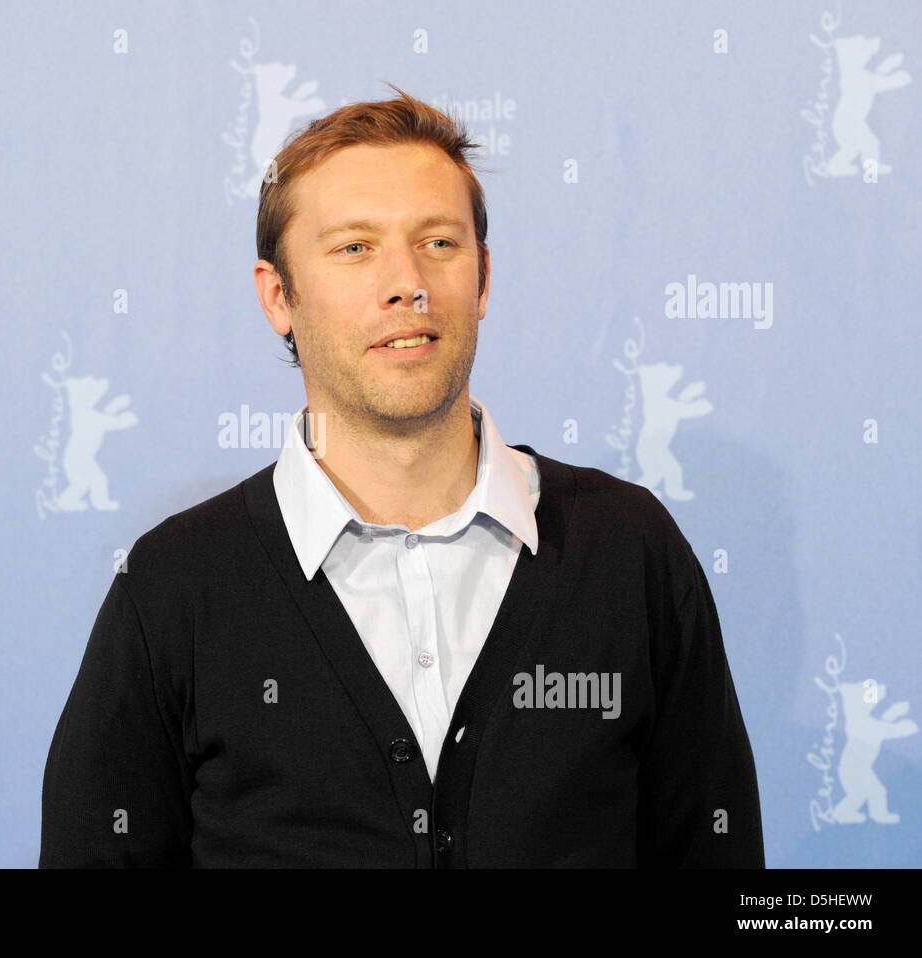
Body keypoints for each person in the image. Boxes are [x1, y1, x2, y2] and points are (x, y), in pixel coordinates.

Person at [40, 84, 764, 868]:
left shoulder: (629, 550)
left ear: (483, 279)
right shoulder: (174, 588)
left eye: (439, 244)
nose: (406, 283)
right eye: (355, 248)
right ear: (279, 296)